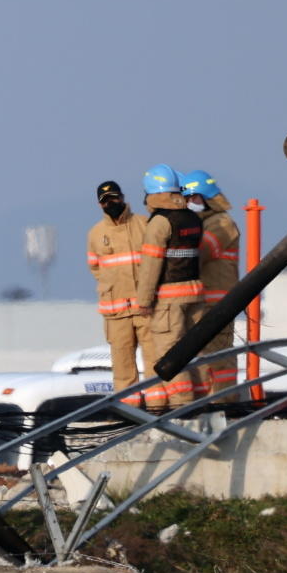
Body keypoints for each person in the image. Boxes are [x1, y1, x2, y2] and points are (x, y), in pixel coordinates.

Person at [136, 166, 204, 414]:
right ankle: (200, 404)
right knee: (193, 355)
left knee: (171, 357)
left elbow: (151, 266)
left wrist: (144, 300)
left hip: (168, 299)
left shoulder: (160, 222)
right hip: (195, 294)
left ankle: (182, 409)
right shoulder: (193, 219)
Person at [83, 179, 158, 394]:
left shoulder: (145, 224)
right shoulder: (95, 234)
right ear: (100, 205)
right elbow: (95, 268)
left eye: (114, 198)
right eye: (105, 201)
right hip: (116, 312)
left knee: (155, 360)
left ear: (123, 197)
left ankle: (158, 407)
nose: (111, 203)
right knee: (122, 365)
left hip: (146, 307)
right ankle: (129, 411)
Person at [183, 171, 242, 399]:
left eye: (192, 198)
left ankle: (224, 402)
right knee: (205, 357)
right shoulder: (205, 222)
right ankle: (212, 400)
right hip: (205, 302)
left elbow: (200, 253)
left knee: (219, 357)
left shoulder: (221, 223)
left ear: (205, 197)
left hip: (218, 304)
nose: (189, 203)